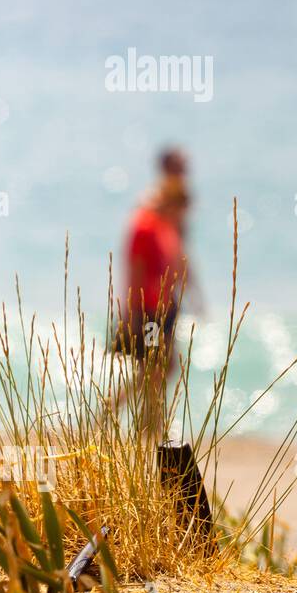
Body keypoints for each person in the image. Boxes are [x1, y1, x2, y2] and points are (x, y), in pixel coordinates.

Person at [114, 173, 191, 439]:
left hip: (163, 308)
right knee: (153, 369)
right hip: (148, 310)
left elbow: (176, 266)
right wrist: (132, 312)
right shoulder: (145, 226)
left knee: (160, 368)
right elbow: (135, 270)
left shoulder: (163, 227)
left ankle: (150, 423)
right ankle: (126, 413)